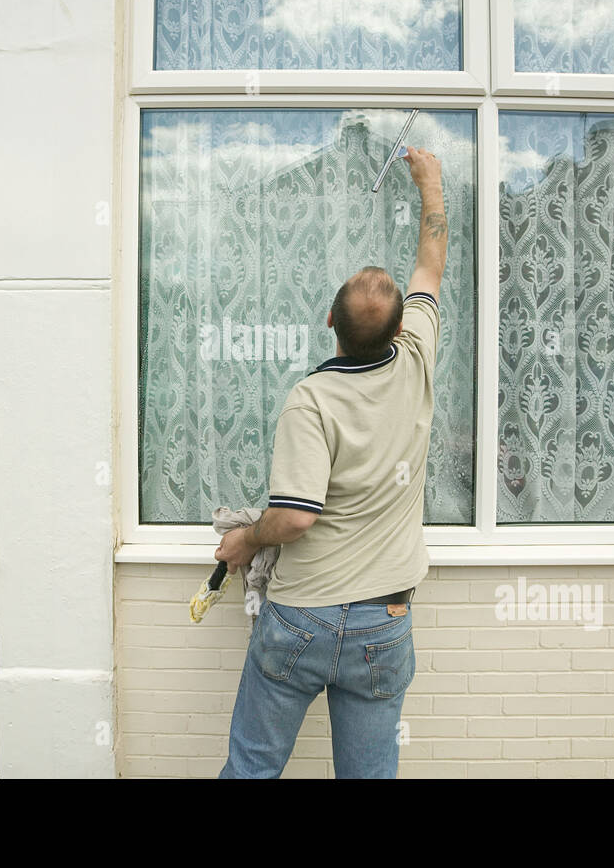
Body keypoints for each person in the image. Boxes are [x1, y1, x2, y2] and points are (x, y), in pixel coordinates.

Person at [215, 146, 448, 779]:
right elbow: (431, 263)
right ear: (403, 328)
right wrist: (430, 182)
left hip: (302, 619)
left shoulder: (311, 399)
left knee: (252, 769)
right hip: (384, 619)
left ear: (328, 322)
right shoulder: (417, 361)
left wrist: (243, 538)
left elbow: (292, 519)